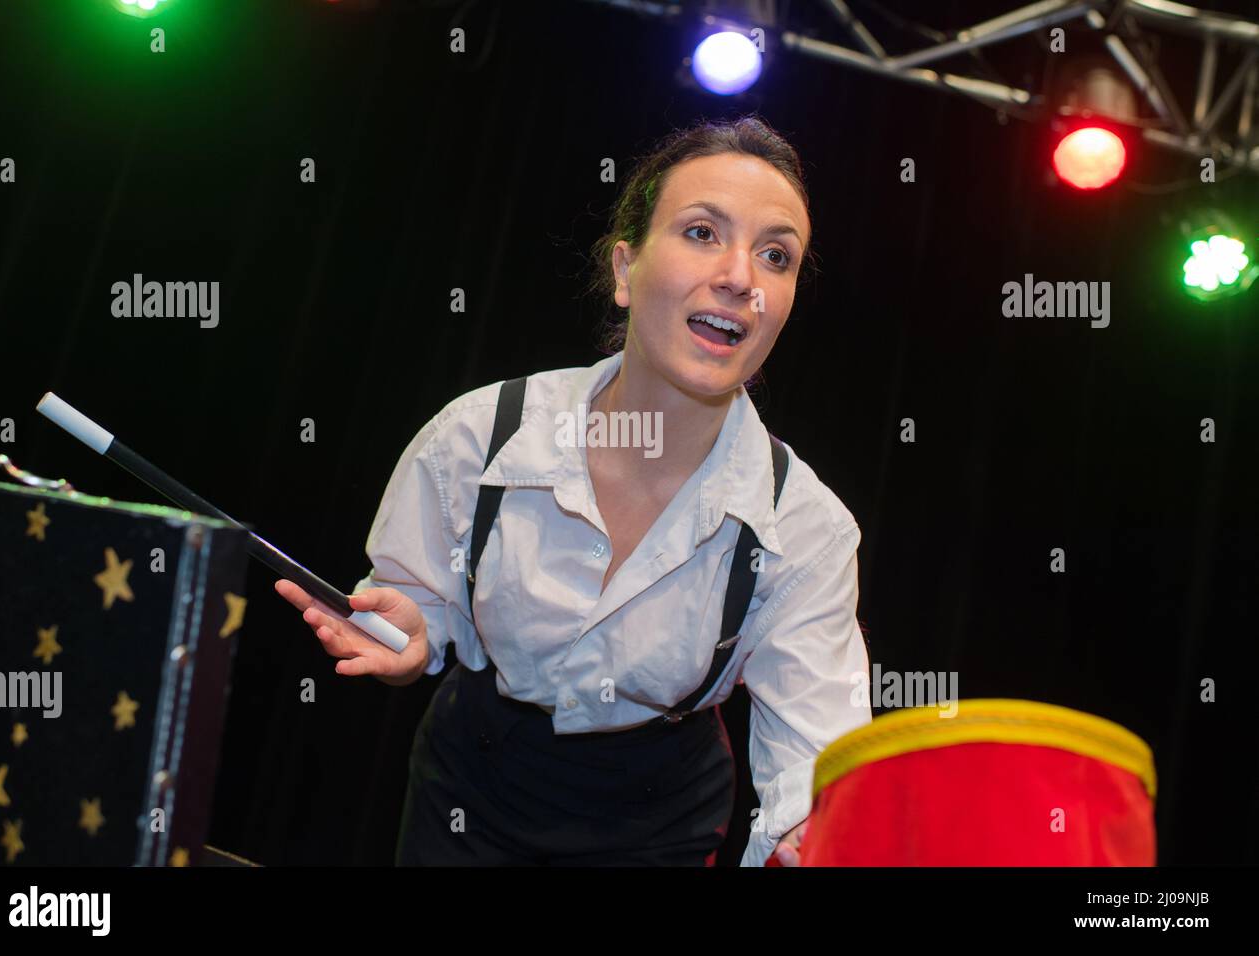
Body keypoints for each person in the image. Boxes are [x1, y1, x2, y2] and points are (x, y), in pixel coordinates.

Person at [275, 115, 871, 866]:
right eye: (700, 232)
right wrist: (414, 630)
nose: (741, 277)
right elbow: (419, 602)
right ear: (624, 271)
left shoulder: (806, 529)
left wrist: (809, 833)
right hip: (471, 794)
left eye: (776, 254)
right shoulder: (478, 435)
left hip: (658, 827)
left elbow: (816, 758)